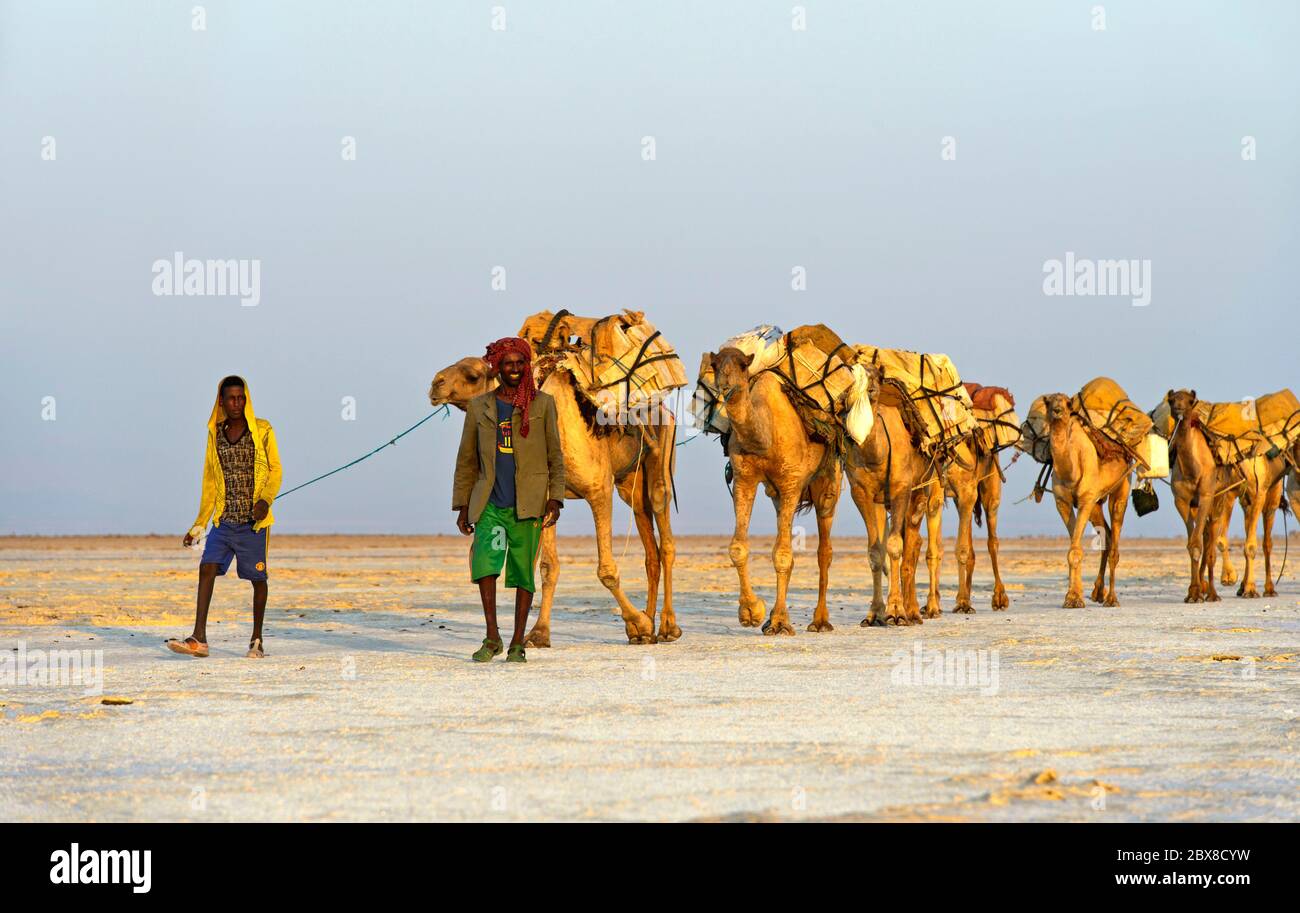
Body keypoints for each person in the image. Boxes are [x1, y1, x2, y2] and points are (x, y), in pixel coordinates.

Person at [452, 338, 565, 663]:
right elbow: (466, 460)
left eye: (519, 364)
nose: (514, 369)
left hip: (528, 504)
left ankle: (518, 641)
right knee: (485, 566)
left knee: (521, 573)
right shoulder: (479, 407)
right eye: (507, 364)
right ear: (497, 368)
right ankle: (492, 636)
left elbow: (555, 456)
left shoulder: (542, 404)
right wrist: (462, 505)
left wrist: (555, 498)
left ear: (525, 367)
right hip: (489, 503)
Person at [167, 375, 282, 659]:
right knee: (207, 568)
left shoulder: (263, 430)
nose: (236, 403)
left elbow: (276, 470)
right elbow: (210, 481)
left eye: (241, 398)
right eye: (231, 398)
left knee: (258, 579)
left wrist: (265, 501)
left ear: (247, 399)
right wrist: (199, 524)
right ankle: (199, 639)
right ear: (221, 401)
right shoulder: (215, 433)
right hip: (224, 520)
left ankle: (256, 639)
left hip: (253, 524)